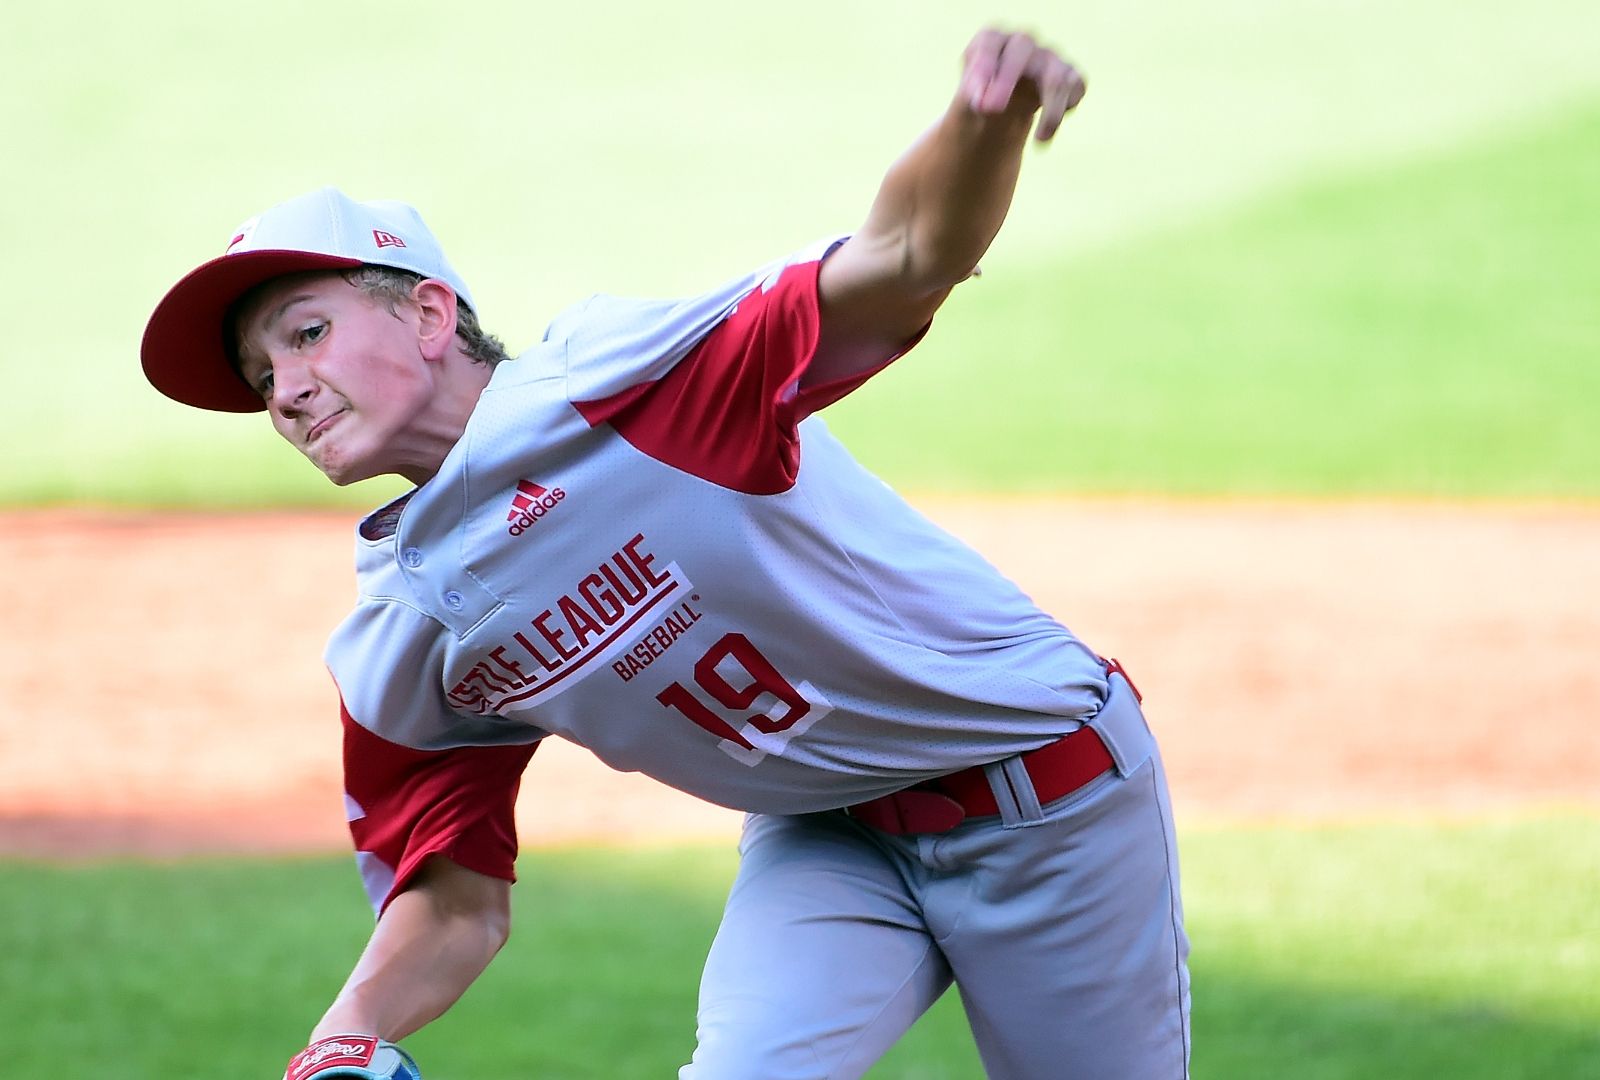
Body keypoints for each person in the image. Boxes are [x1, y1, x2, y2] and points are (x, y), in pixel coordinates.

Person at [141, 28, 1188, 1080]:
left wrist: (984, 119)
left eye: (304, 333)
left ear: (425, 312)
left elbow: (905, 258)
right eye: (259, 371)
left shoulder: (616, 391)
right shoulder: (404, 631)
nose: (283, 390)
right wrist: (341, 1040)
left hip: (1052, 803)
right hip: (829, 839)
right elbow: (452, 899)